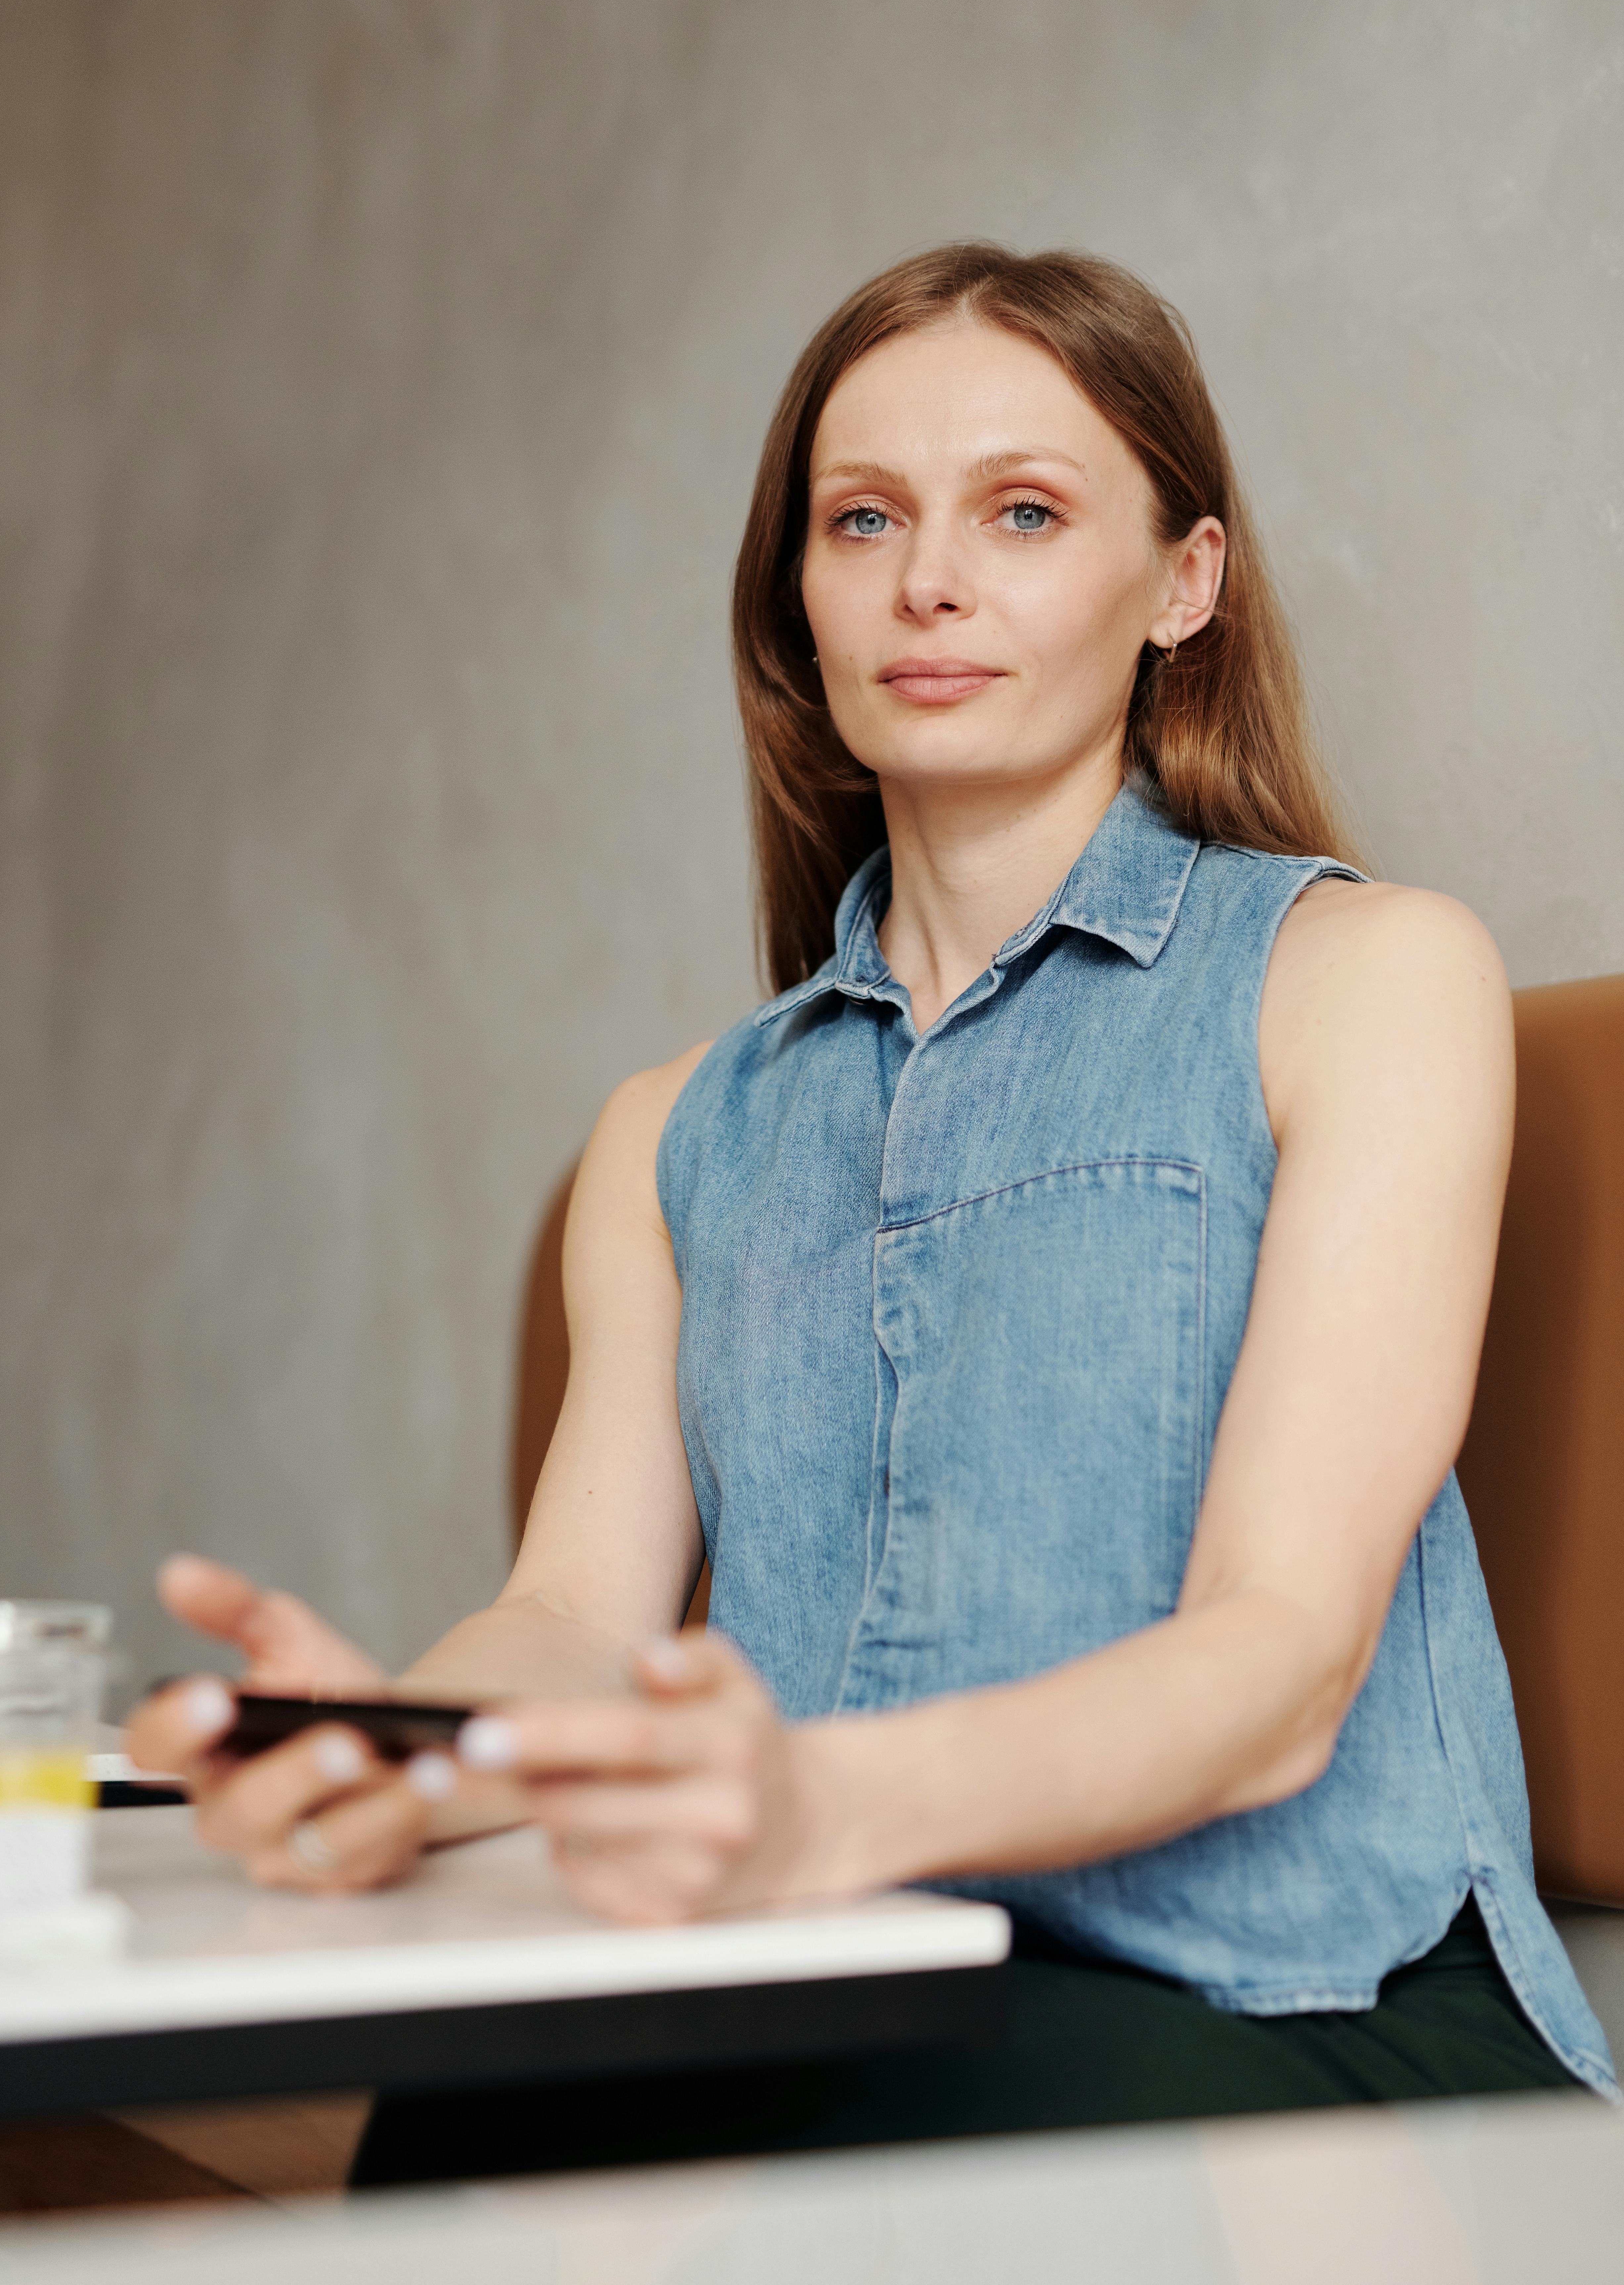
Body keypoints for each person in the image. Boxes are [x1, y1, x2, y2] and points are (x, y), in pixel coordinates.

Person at [129, 245, 1613, 2179]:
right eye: (863, 519)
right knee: (468, 2117)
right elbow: (575, 1616)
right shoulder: (671, 1130)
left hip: (1312, 2001)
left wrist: (815, 1811)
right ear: (801, 599)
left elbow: (1281, 1660)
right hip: (873, 1981)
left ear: (1185, 583)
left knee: (797, 2134)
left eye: (1023, 510)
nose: (932, 579)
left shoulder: (1368, 978)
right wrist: (399, 1748)